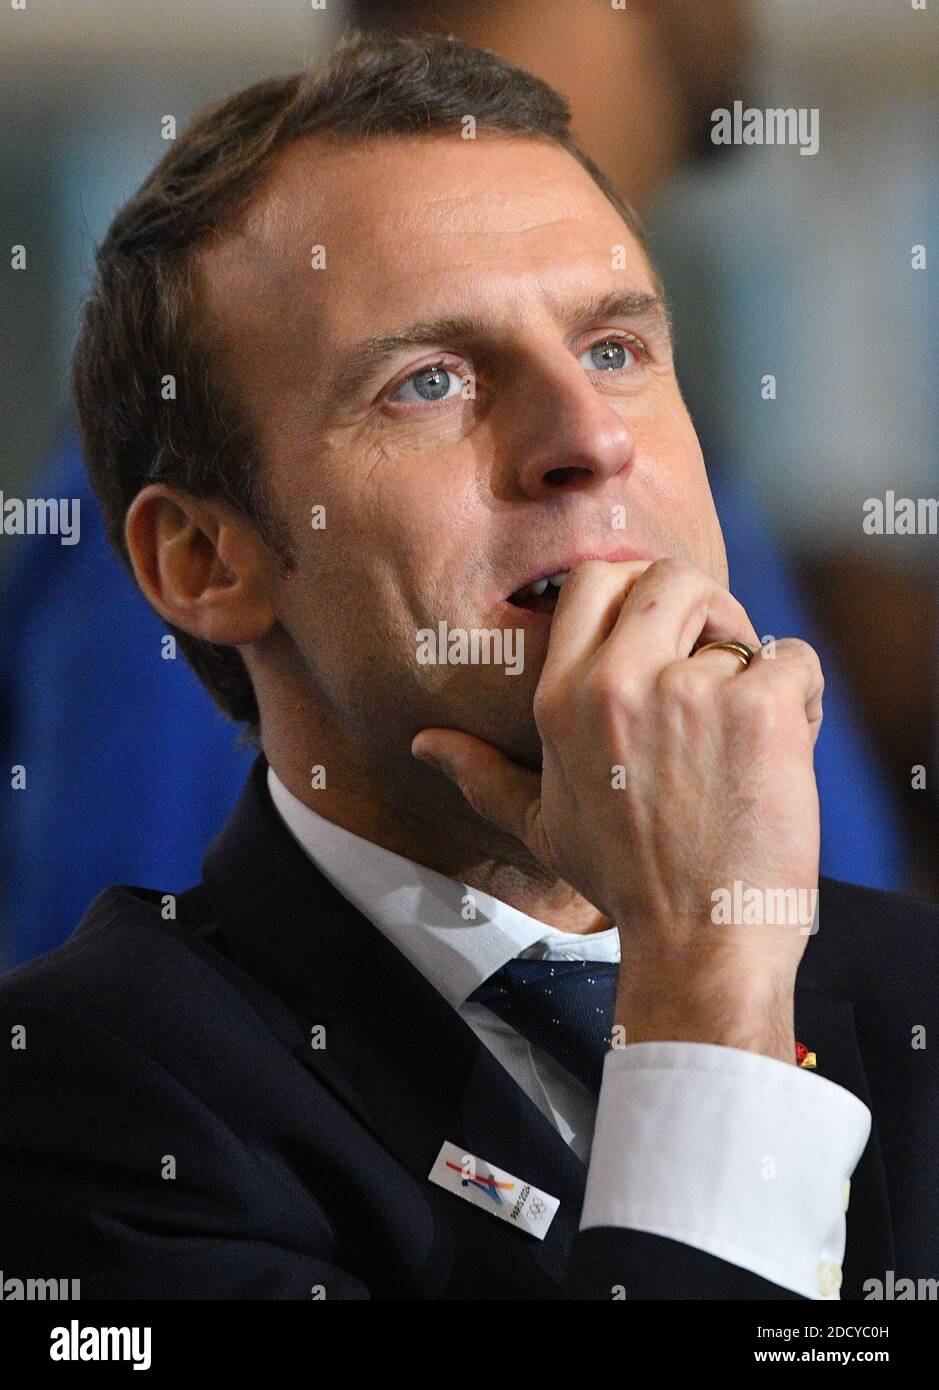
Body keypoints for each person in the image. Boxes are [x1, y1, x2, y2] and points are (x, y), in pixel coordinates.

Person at [1, 31, 936, 1301]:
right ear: (205, 562)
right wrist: (710, 993)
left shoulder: (916, 991)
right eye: (429, 380)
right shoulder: (88, 1100)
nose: (591, 437)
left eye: (614, 349)